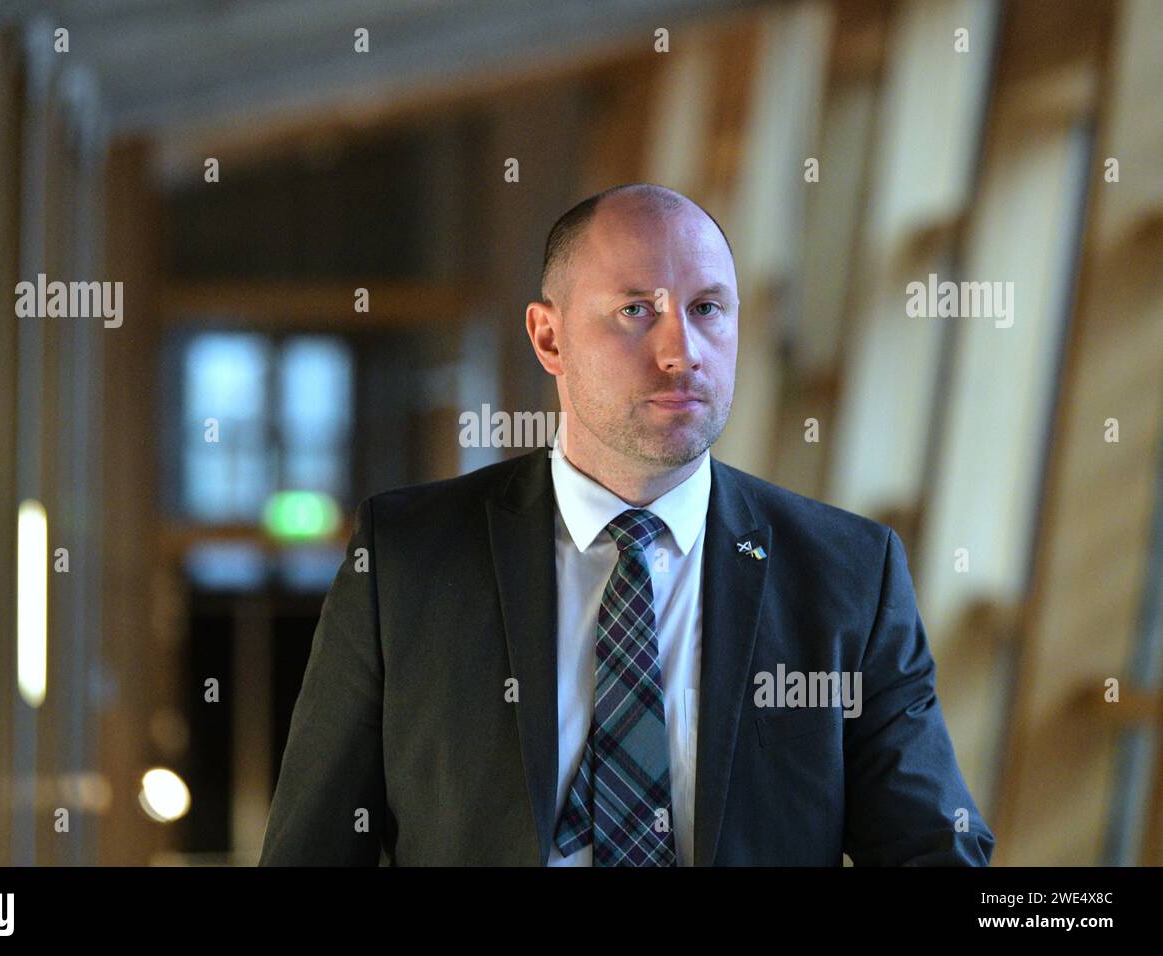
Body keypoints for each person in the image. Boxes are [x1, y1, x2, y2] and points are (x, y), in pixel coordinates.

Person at [259, 183, 995, 866]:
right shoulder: (407, 560)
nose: (681, 352)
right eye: (635, 310)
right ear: (549, 340)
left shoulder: (848, 573)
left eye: (708, 309)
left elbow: (931, 850)